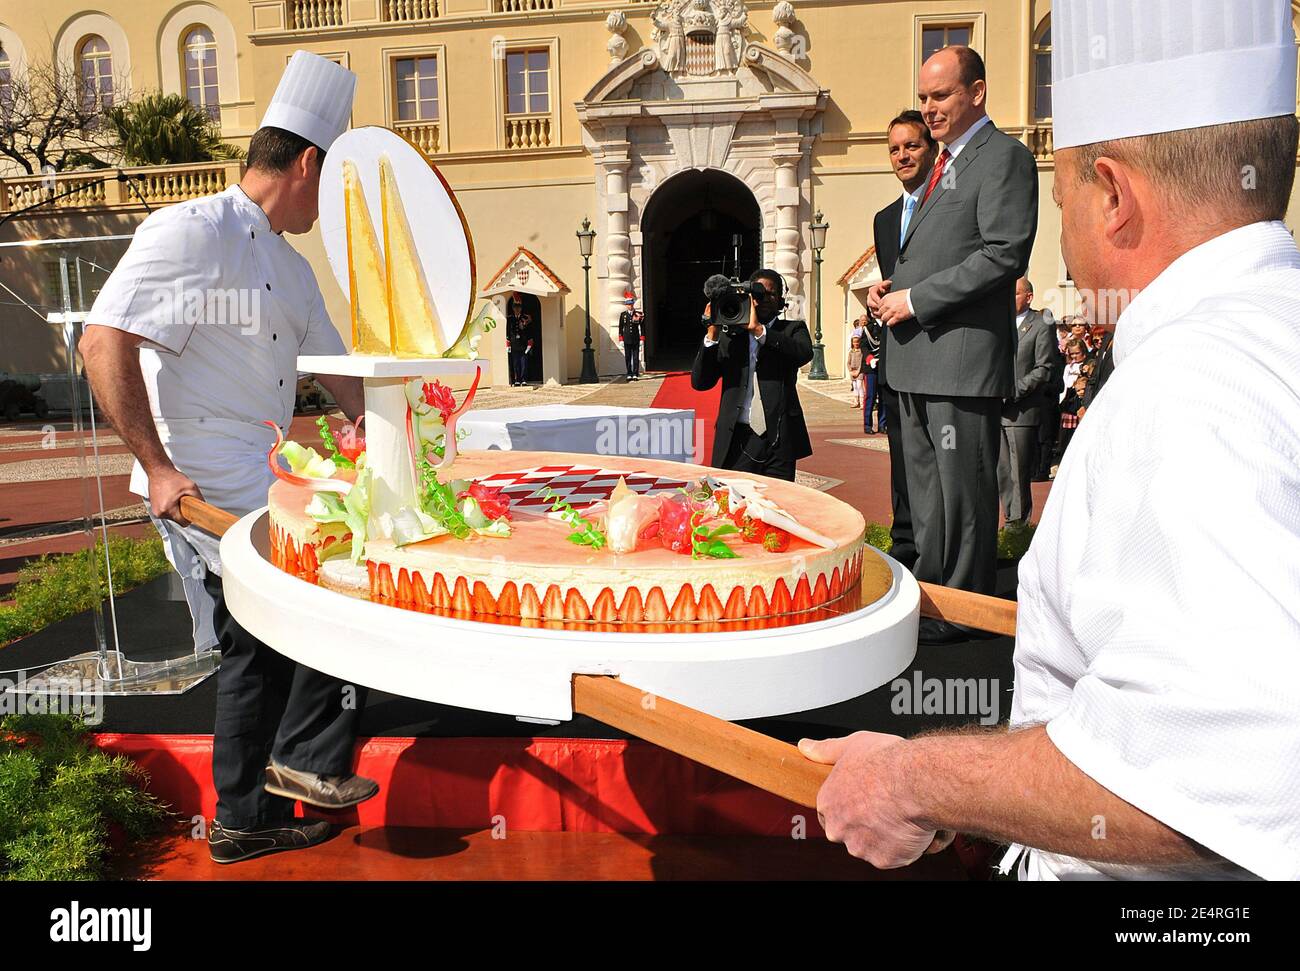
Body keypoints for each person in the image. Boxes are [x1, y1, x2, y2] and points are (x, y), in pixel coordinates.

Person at [801, 0, 1300, 881]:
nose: (1057, 227)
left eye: (1064, 190)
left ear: (1111, 196)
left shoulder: (1193, 389)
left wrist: (916, 779)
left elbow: (1243, 774)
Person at [79, 51, 380, 865]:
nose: (331, 199)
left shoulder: (291, 264)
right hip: (201, 478)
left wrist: (392, 443)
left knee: (268, 632)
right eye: (333, 178)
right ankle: (299, 765)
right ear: (308, 161)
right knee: (317, 591)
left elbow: (341, 380)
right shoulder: (192, 230)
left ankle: (251, 810)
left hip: (263, 472)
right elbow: (102, 341)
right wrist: (160, 467)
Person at [868, 48, 1038, 640]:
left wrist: (914, 299)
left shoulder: (1004, 159)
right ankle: (934, 595)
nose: (929, 108)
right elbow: (937, 247)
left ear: (978, 92)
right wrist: (897, 286)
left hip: (961, 358)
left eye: (940, 96)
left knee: (962, 491)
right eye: (924, 97)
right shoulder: (942, 163)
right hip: (915, 356)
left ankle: (966, 609)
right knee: (927, 494)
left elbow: (1001, 254)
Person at [869, 109, 938, 569]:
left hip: (940, 354)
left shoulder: (948, 203)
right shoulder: (884, 218)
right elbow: (896, 280)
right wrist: (879, 292)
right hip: (897, 358)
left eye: (911, 146)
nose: (902, 156)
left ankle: (940, 556)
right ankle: (906, 543)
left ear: (931, 149)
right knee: (902, 462)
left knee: (939, 465)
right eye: (895, 149)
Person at [690, 269, 813, 481]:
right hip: (738, 436)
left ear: (781, 300)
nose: (763, 299)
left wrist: (759, 331)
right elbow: (701, 382)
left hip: (779, 438)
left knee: (777, 506)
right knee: (735, 503)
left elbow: (803, 353)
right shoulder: (731, 336)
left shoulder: (792, 329)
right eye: (758, 294)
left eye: (770, 294)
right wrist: (712, 335)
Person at [997, 278, 1056, 525]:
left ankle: (1018, 528)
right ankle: (1009, 518)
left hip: (1021, 411)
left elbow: (1045, 368)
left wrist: (1013, 390)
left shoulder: (1041, 323)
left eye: (1016, 293)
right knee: (1002, 473)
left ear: (1029, 297)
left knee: (1019, 474)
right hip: (996, 409)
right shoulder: (999, 323)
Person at [617, 291, 644, 380]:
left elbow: (642, 326)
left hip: (635, 338)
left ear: (633, 304)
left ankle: (635, 373)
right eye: (628, 304)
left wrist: (642, 338)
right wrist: (621, 338)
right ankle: (629, 373)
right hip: (627, 338)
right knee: (628, 357)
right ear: (626, 305)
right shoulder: (623, 315)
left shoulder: (638, 314)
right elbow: (620, 327)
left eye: (631, 304)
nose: (630, 306)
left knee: (636, 357)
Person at [506, 297, 532, 387]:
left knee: (524, 363)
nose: (517, 309)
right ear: (513, 308)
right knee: (515, 363)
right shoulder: (509, 319)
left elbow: (529, 331)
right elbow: (508, 331)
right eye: (515, 307)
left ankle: (524, 379)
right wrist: (508, 343)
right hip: (514, 344)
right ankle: (517, 380)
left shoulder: (525, 318)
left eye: (518, 307)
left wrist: (529, 344)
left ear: (521, 308)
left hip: (523, 344)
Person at [847, 334, 864, 408]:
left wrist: (858, 371)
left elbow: (861, 362)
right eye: (854, 342)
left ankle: (862, 402)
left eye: (857, 342)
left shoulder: (861, 352)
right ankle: (856, 401)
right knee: (855, 386)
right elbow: (848, 362)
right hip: (852, 371)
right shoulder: (851, 352)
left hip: (859, 371)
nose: (856, 344)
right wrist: (850, 370)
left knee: (859, 385)